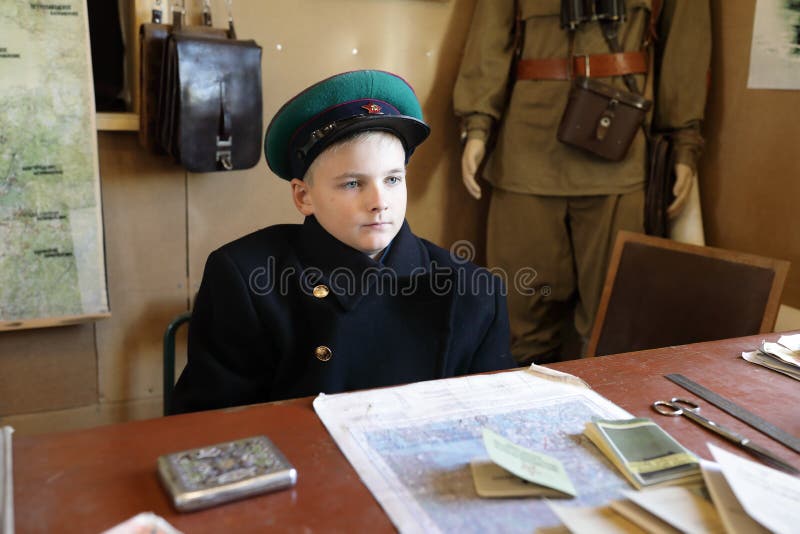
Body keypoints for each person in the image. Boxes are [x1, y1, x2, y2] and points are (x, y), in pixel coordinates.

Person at [171, 70, 514, 414]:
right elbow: (208, 425)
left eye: (393, 179)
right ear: (304, 196)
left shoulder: (474, 292)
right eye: (353, 184)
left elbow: (494, 425)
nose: (379, 202)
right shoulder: (247, 279)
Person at [453, 0, 710, 364]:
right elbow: (490, 36)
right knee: (520, 323)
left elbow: (686, 48)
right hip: (527, 158)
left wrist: (684, 143)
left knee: (614, 325)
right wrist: (477, 126)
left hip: (619, 157)